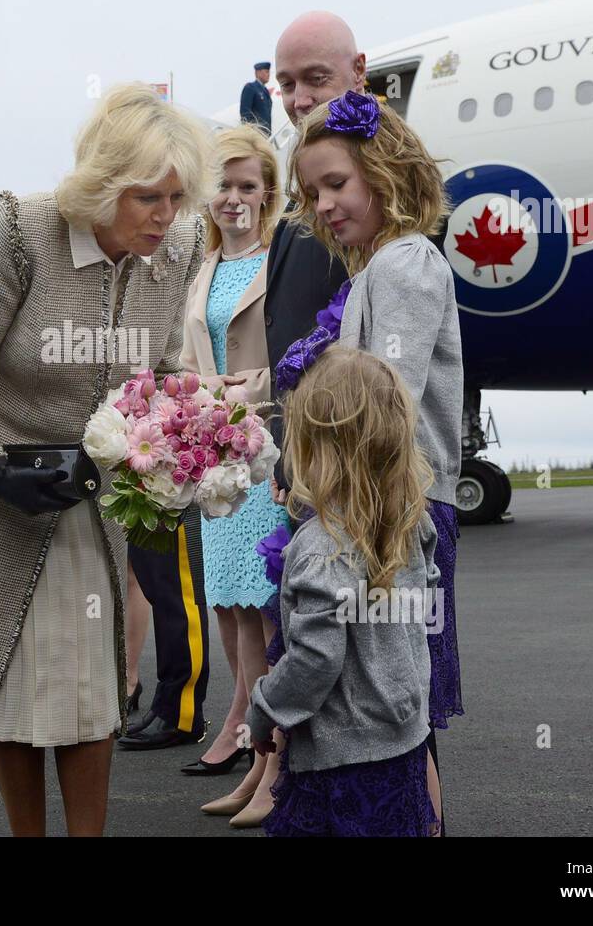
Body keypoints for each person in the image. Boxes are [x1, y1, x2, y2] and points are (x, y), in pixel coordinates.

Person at [0, 83, 211, 837]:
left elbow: (161, 369)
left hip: (88, 502)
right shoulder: (21, 229)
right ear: (102, 186)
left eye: (177, 198)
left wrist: (191, 428)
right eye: (147, 198)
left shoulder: (180, 246)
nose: (165, 217)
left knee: (89, 689)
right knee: (12, 682)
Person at [283, 88, 463, 832]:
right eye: (309, 192)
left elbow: (387, 403)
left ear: (384, 172)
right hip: (369, 504)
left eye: (337, 184)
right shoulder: (377, 270)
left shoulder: (406, 267)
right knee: (386, 707)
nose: (322, 205)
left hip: (393, 510)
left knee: (397, 711)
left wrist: (320, 477)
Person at [246, 343, 441, 837]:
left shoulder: (319, 548)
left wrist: (265, 708)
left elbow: (315, 661)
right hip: (403, 744)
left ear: (316, 446)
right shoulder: (411, 524)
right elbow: (425, 612)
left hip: (338, 763)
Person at [174, 127, 286, 824]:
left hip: (266, 451)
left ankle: (279, 765)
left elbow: (306, 346)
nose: (233, 197)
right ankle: (255, 759)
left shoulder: (284, 259)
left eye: (248, 185)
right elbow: (191, 365)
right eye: (223, 184)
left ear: (269, 194)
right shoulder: (202, 269)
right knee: (237, 612)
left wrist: (253, 391)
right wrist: (191, 402)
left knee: (269, 615)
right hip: (218, 465)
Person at [265, 13, 357, 476]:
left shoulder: (389, 192)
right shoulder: (296, 198)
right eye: (286, 85)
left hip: (350, 461)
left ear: (359, 71)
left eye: (316, 80)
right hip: (302, 460)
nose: (300, 101)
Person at [115, 513, 209, 750]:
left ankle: (181, 712)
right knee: (156, 580)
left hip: (176, 491)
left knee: (176, 591)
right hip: (147, 487)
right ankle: (168, 704)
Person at [238, 61, 273, 135]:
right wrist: (250, 131)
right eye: (266, 72)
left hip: (266, 133)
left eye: (269, 72)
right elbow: (245, 112)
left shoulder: (265, 91)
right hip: (255, 133)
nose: (269, 75)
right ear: (258, 73)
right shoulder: (250, 88)